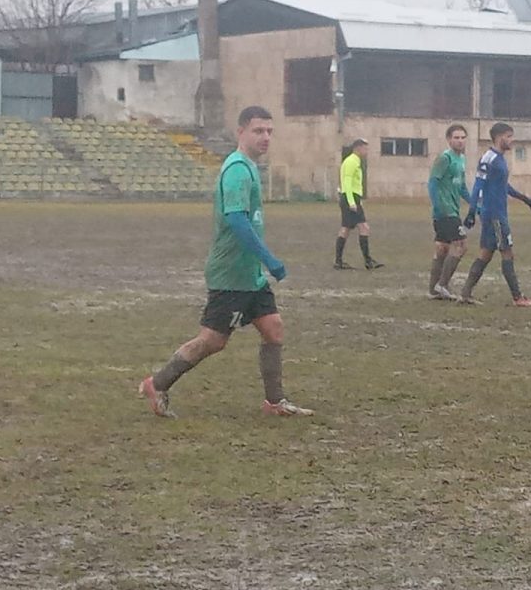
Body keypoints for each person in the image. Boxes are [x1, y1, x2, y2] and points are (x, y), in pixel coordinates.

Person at [139, 105, 315, 419]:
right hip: (232, 274)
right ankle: (158, 383)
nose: (265, 137)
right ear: (241, 132)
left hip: (250, 274)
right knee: (212, 340)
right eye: (258, 131)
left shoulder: (249, 167)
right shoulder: (236, 170)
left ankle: (275, 402)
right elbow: (236, 220)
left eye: (269, 131)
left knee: (273, 328)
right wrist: (269, 259)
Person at [458, 122, 531, 307]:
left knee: (485, 254)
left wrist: (525, 199)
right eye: (509, 136)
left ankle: (465, 293)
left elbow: (503, 185)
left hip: (495, 213)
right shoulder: (489, 158)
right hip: (494, 215)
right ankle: (518, 298)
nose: (511, 140)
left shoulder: (500, 159)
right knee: (507, 252)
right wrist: (471, 212)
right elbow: (478, 185)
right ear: (499, 137)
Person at [426, 124, 471, 300]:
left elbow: (462, 187)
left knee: (442, 248)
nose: (460, 141)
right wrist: (438, 205)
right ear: (449, 139)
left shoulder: (461, 159)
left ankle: (433, 290)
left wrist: (474, 204)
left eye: (463, 137)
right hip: (446, 211)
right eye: (456, 137)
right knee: (461, 245)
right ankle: (442, 284)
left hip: (452, 209)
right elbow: (432, 182)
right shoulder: (444, 158)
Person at [335, 138, 382, 270]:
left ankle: (338, 261)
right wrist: (352, 202)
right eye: (365, 148)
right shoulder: (351, 162)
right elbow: (347, 182)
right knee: (364, 227)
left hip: (350, 197)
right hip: (350, 198)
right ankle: (368, 261)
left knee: (346, 228)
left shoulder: (354, 161)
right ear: (358, 148)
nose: (367, 151)